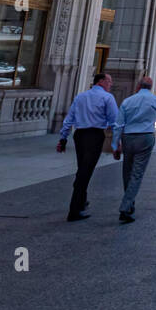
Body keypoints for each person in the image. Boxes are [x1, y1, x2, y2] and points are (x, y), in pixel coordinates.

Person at [57, 73, 119, 222]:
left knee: (83, 168)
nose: (111, 84)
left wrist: (63, 138)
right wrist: (116, 143)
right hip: (95, 136)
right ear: (101, 81)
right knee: (85, 172)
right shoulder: (107, 98)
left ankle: (82, 201)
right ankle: (74, 210)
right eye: (109, 81)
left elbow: (69, 119)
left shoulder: (80, 97)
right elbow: (115, 122)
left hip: (79, 135)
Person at [112, 76, 156, 224]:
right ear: (150, 87)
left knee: (127, 171)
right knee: (137, 173)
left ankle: (129, 204)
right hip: (145, 137)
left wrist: (115, 144)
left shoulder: (128, 101)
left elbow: (118, 125)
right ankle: (126, 206)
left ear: (138, 86)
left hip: (128, 137)